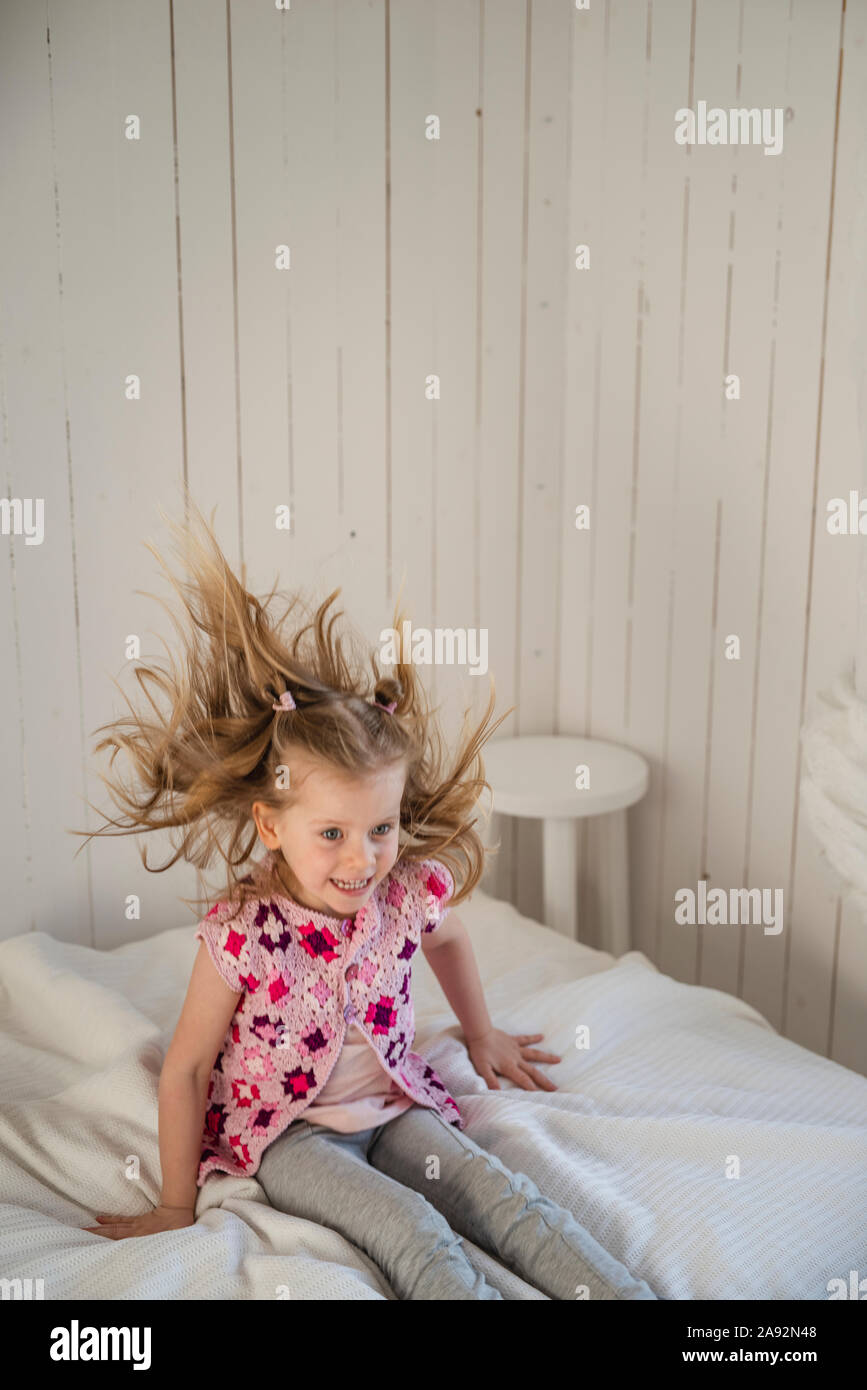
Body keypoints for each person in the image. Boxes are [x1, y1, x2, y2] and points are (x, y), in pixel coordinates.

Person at [76, 495, 657, 1301]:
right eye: (332, 835)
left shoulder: (403, 895)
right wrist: (177, 1205)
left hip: (392, 1104)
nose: (363, 860)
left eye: (380, 828)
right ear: (270, 825)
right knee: (414, 1234)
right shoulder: (243, 934)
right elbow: (186, 1068)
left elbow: (448, 940)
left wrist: (479, 1033)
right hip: (295, 1138)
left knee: (509, 1203)